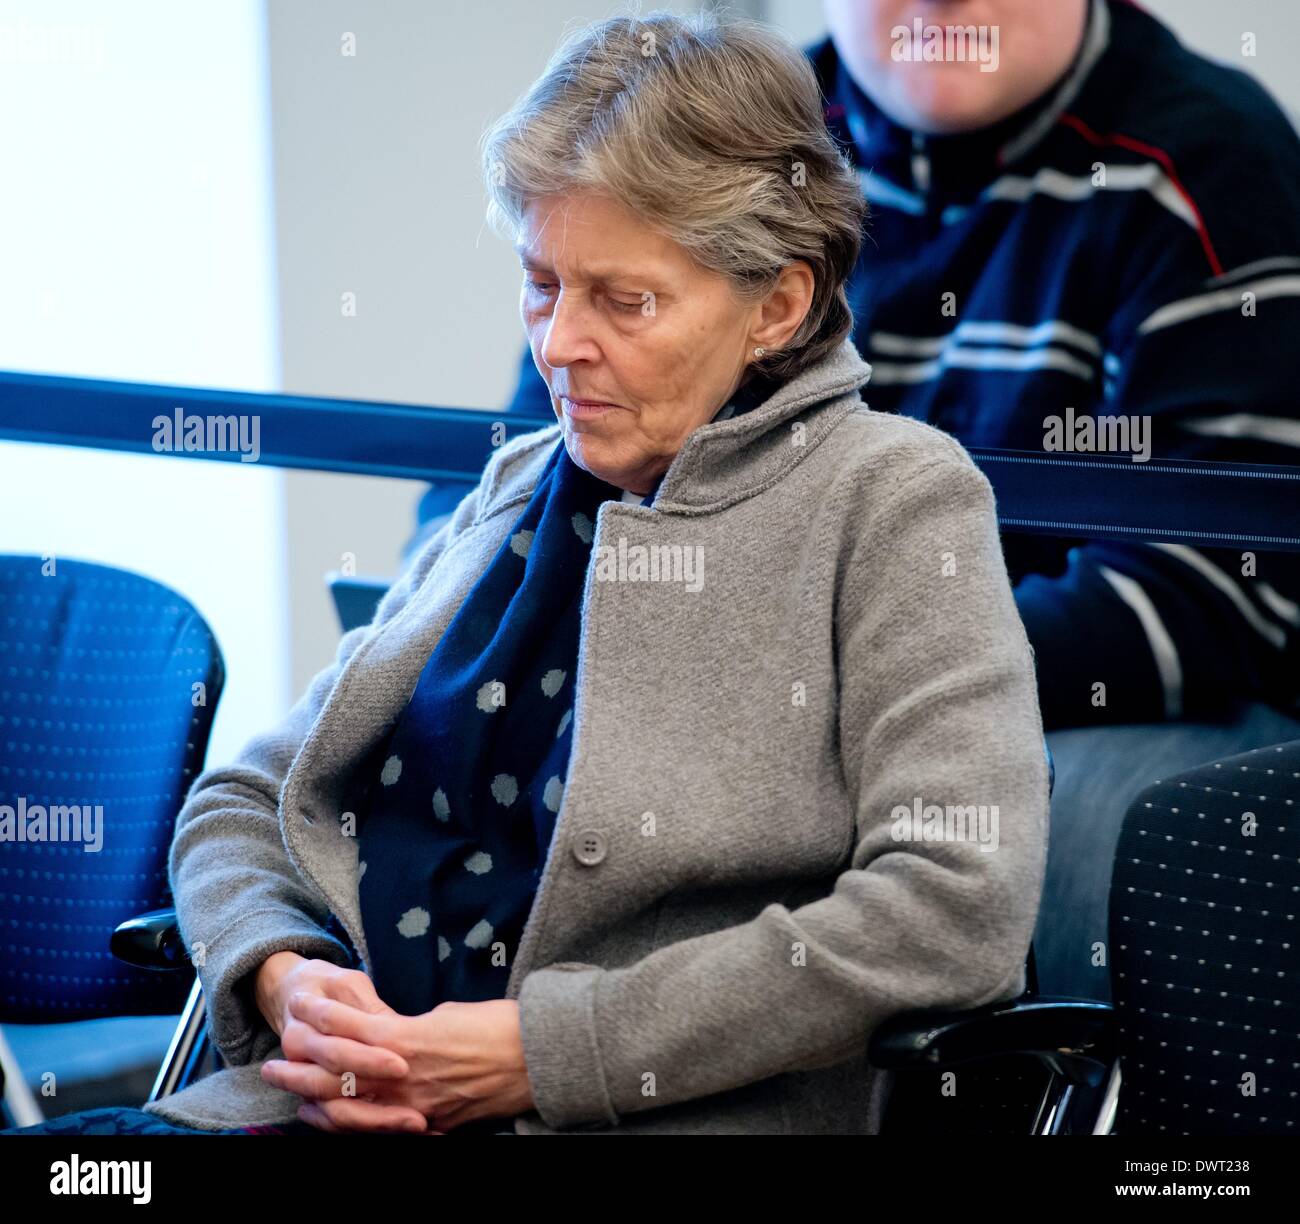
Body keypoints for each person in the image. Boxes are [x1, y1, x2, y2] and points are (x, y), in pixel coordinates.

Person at [4, 11, 1047, 1136]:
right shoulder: (522, 486)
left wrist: (547, 1052)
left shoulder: (890, 498)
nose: (556, 345)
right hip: (325, 1109)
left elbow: (949, 914)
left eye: (623, 299)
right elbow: (245, 798)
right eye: (541, 283)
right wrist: (283, 974)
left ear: (777, 306)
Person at [454, 0, 1300, 1003]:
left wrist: (823, 682)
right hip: (745, 679)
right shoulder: (710, 139)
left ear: (786, 302)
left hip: (1085, 709)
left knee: (1040, 841)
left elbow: (1212, 590)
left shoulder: (1212, 165)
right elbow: (540, 472)